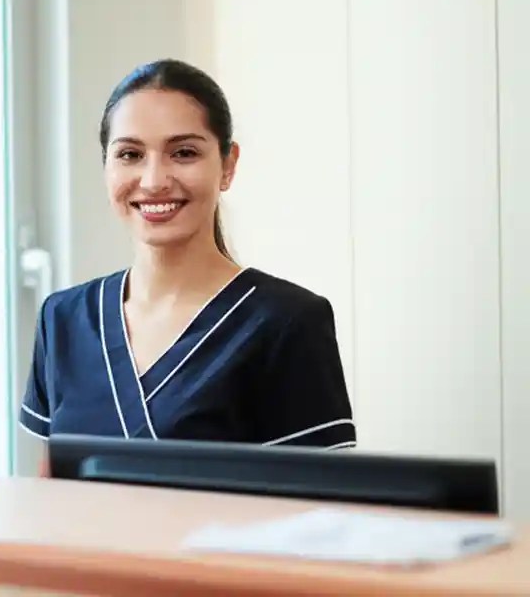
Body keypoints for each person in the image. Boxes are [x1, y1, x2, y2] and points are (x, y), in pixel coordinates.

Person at [18, 59, 355, 465]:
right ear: (106, 165)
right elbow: (46, 496)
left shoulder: (287, 323)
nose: (154, 180)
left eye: (184, 152)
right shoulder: (64, 319)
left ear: (228, 166)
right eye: (130, 154)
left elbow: (311, 512)